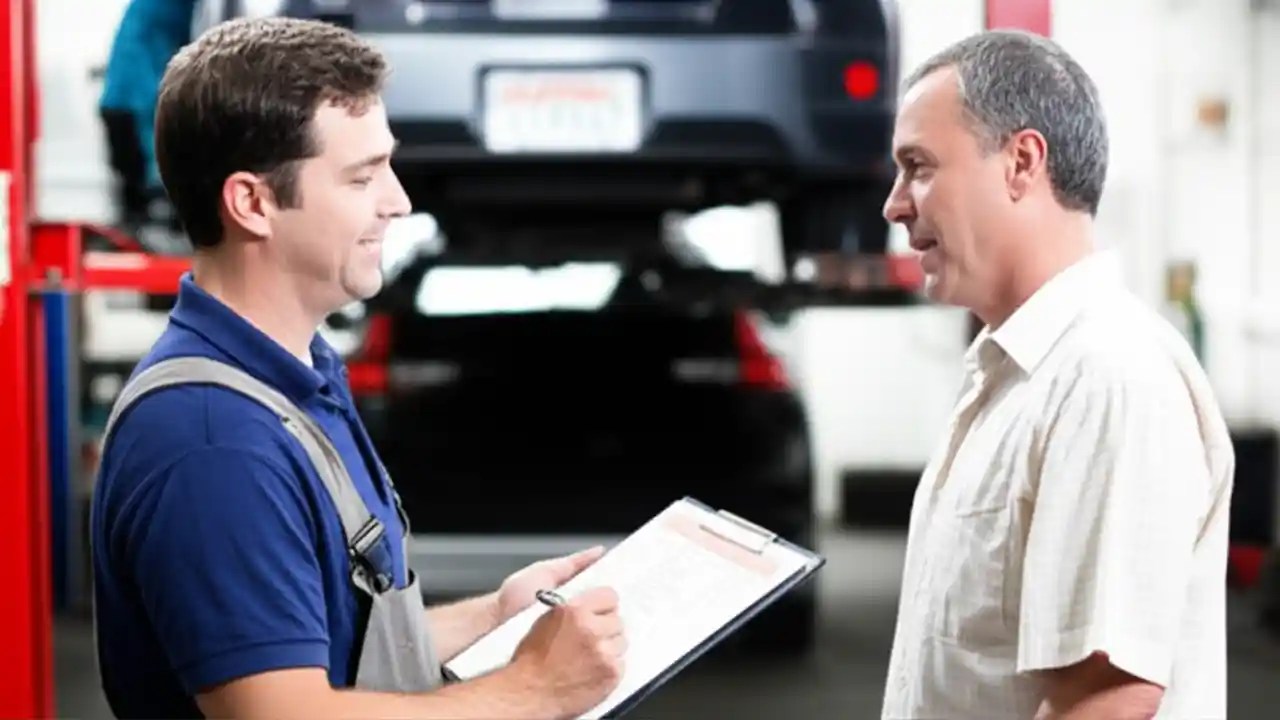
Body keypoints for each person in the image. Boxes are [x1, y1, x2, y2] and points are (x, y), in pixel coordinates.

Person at [90, 17, 626, 720]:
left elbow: (321, 647)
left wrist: (498, 615)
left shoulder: (296, 380)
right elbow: (288, 713)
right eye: (362, 176)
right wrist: (536, 689)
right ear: (252, 203)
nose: (397, 201)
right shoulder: (214, 439)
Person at [878, 30, 1234, 720]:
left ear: (1021, 162)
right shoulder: (1015, 377)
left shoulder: (1108, 377)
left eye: (918, 167)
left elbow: (1104, 700)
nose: (895, 204)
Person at [98, 0, 200, 234]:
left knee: (135, 196)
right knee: (156, 192)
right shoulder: (180, 8)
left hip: (118, 100)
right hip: (140, 102)